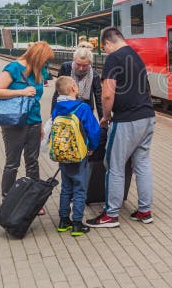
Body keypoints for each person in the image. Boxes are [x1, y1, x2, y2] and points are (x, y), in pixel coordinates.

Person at [86, 26, 156, 228]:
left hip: (127, 120)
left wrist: (106, 117)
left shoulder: (114, 58)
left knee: (114, 166)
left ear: (108, 43)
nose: (105, 51)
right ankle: (145, 210)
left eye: (104, 48)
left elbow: (107, 94)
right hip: (147, 117)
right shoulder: (135, 56)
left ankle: (110, 214)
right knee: (142, 164)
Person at [0, 41, 54, 211]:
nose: (46, 64)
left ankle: (33, 200)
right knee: (12, 163)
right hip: (14, 123)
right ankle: (8, 201)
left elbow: (36, 101)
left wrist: (40, 124)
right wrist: (21, 91)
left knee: (32, 162)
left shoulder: (39, 71)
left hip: (33, 122)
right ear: (38, 57)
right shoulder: (13, 68)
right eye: (45, 60)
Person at [52, 76, 101, 236]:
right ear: (73, 87)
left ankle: (63, 221)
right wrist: (92, 148)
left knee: (66, 189)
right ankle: (77, 224)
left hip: (63, 155)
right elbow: (94, 131)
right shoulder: (83, 107)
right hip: (79, 155)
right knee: (80, 189)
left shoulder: (57, 107)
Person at [50, 46, 101, 116]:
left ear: (90, 64)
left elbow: (99, 99)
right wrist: (53, 113)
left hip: (85, 111)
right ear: (74, 60)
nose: (81, 68)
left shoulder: (94, 75)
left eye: (85, 65)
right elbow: (57, 92)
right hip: (66, 110)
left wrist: (103, 120)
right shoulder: (66, 68)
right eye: (78, 64)